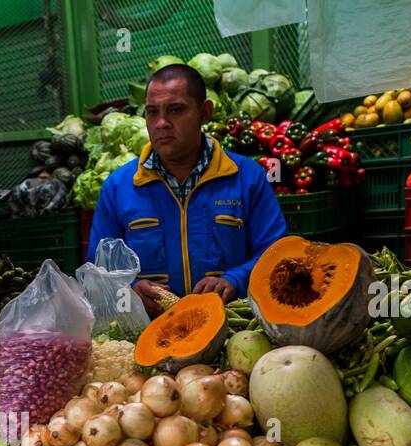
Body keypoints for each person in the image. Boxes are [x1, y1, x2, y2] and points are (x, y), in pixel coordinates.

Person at [87, 63, 287, 316]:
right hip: (148, 332)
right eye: (152, 112)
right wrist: (131, 291)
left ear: (204, 113)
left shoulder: (247, 178)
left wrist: (235, 280)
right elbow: (97, 272)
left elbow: (277, 254)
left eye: (176, 110)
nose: (161, 123)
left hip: (233, 326)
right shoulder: (118, 187)